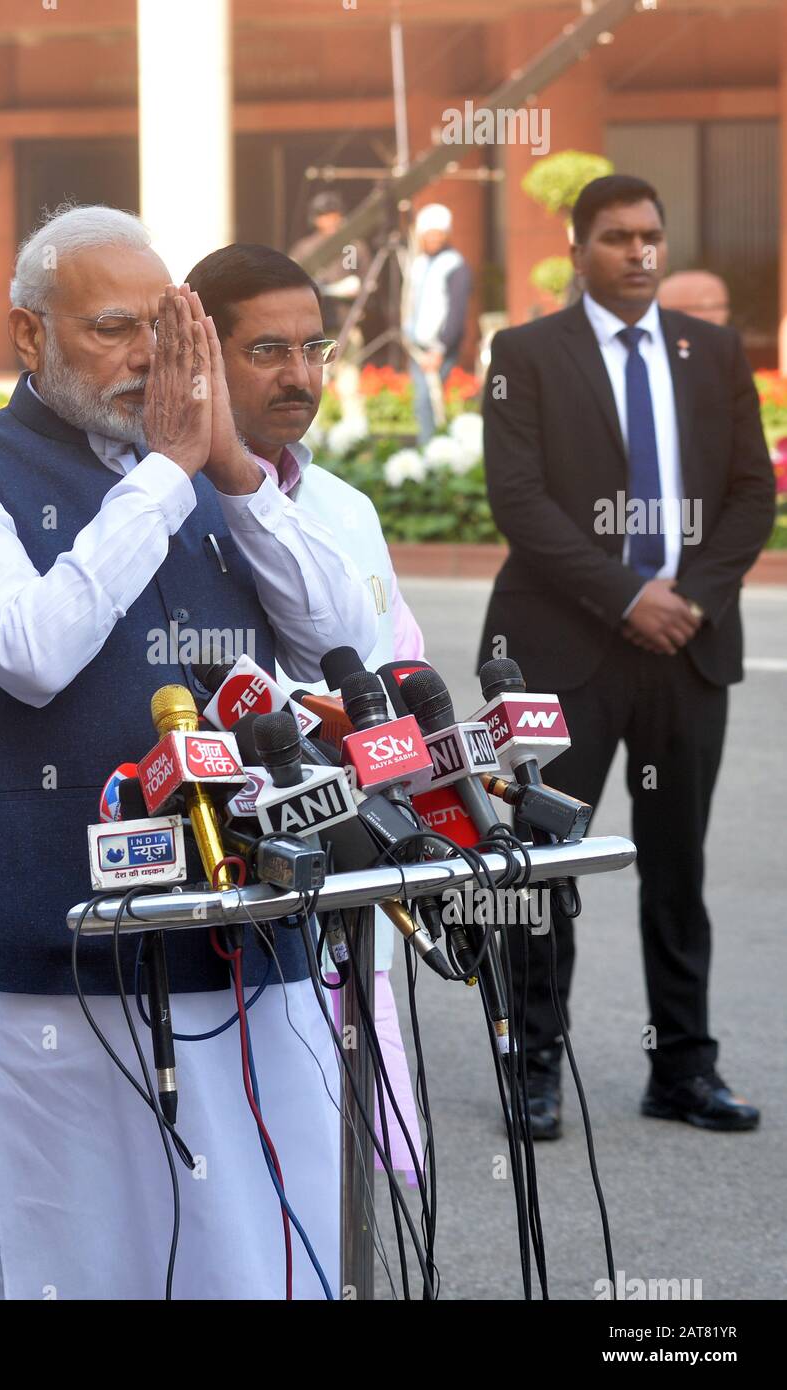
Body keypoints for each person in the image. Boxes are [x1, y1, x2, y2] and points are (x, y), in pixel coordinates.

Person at [0, 203, 378, 1300]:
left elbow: (332, 634)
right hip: (58, 959)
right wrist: (163, 475)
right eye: (111, 328)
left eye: (161, 329)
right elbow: (31, 651)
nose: (144, 357)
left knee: (264, 1249)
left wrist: (236, 475)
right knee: (87, 1260)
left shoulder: (215, 468)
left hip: (245, 935)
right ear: (29, 336)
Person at [477, 174, 774, 1139]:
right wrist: (626, 594)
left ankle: (683, 1069)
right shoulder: (524, 353)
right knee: (542, 861)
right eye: (618, 238)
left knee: (677, 869)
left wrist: (687, 598)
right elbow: (520, 503)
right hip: (563, 648)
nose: (641, 253)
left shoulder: (713, 351)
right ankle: (533, 1064)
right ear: (579, 249)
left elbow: (748, 497)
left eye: (652, 236)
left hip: (686, 649)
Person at [185, 241, 426, 1182]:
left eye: (315, 349)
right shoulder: (164, 499)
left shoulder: (344, 505)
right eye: (267, 351)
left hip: (359, 860)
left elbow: (394, 664)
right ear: (201, 355)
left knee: (350, 1171)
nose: (299, 376)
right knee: (248, 1163)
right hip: (233, 877)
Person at [401, 203, 471, 445]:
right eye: (427, 234)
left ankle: (435, 453)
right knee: (422, 403)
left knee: (430, 401)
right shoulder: (418, 263)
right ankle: (429, 451)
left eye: (437, 234)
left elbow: (457, 311)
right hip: (417, 348)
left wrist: (440, 348)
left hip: (438, 349)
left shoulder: (455, 264)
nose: (432, 239)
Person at [289, 191, 371, 346]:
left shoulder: (351, 247)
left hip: (346, 323)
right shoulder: (304, 249)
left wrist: (355, 289)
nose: (329, 221)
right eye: (324, 216)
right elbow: (289, 284)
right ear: (315, 220)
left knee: (348, 369)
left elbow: (367, 281)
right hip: (312, 326)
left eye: (333, 215)